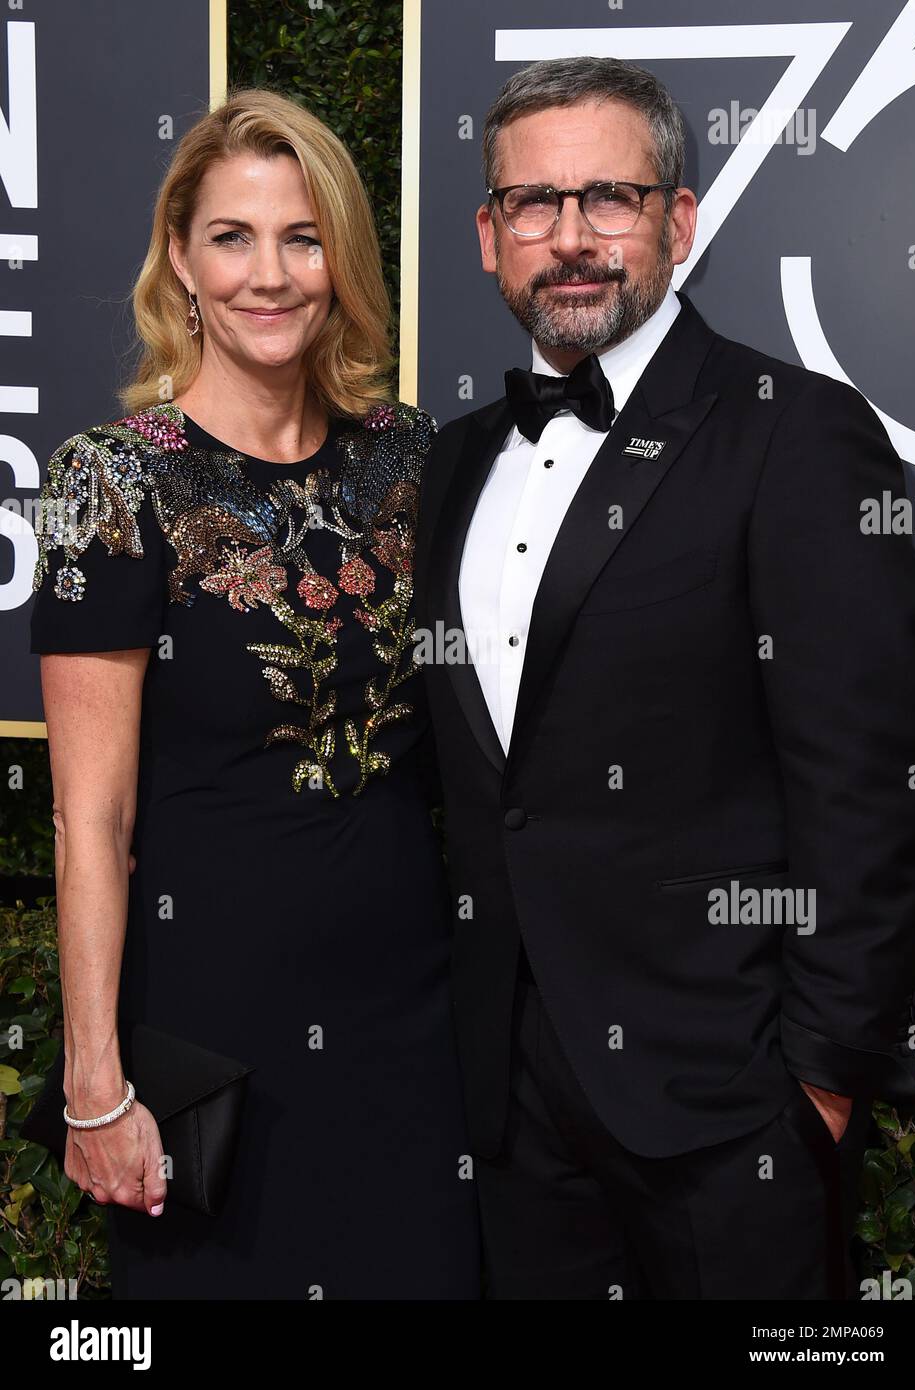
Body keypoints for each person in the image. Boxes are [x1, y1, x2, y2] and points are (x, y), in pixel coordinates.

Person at [413, 56, 915, 1299]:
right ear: (489, 237)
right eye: (533, 204)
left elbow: (868, 786)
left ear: (679, 222)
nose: (571, 237)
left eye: (611, 197)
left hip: (729, 1107)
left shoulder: (794, 431)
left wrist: (818, 1084)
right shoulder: (451, 464)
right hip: (512, 1103)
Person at [29, 87, 480, 1300]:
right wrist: (93, 1083)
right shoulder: (111, 484)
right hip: (206, 1047)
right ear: (179, 257)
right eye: (232, 236)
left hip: (411, 1032)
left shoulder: (412, 459)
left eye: (301, 235)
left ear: (341, 256)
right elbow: (91, 821)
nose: (267, 274)